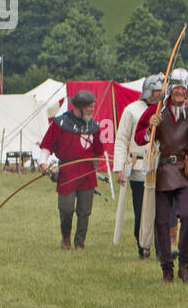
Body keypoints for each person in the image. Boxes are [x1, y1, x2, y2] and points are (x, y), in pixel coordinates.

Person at [135, 68, 188, 285]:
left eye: (183, 88)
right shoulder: (157, 109)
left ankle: (184, 267)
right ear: (170, 88)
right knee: (161, 221)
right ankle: (166, 270)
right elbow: (140, 138)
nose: (180, 92)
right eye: (176, 87)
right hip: (163, 170)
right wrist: (151, 127)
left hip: (186, 169)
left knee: (187, 216)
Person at [39, 90, 102, 250]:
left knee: (84, 211)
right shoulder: (60, 123)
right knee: (66, 208)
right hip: (67, 171)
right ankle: (65, 237)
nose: (92, 109)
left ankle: (79, 243)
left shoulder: (94, 127)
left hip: (87, 174)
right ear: (79, 108)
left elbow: (97, 152)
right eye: (89, 107)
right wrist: (43, 163)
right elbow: (47, 146)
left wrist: (94, 168)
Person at [113, 73, 161, 260]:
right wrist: (119, 168)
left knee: (161, 212)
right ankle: (143, 248)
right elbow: (121, 139)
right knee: (142, 211)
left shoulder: (163, 111)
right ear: (149, 91)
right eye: (157, 91)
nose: (159, 94)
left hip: (159, 167)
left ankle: (160, 248)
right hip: (139, 167)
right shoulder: (132, 110)